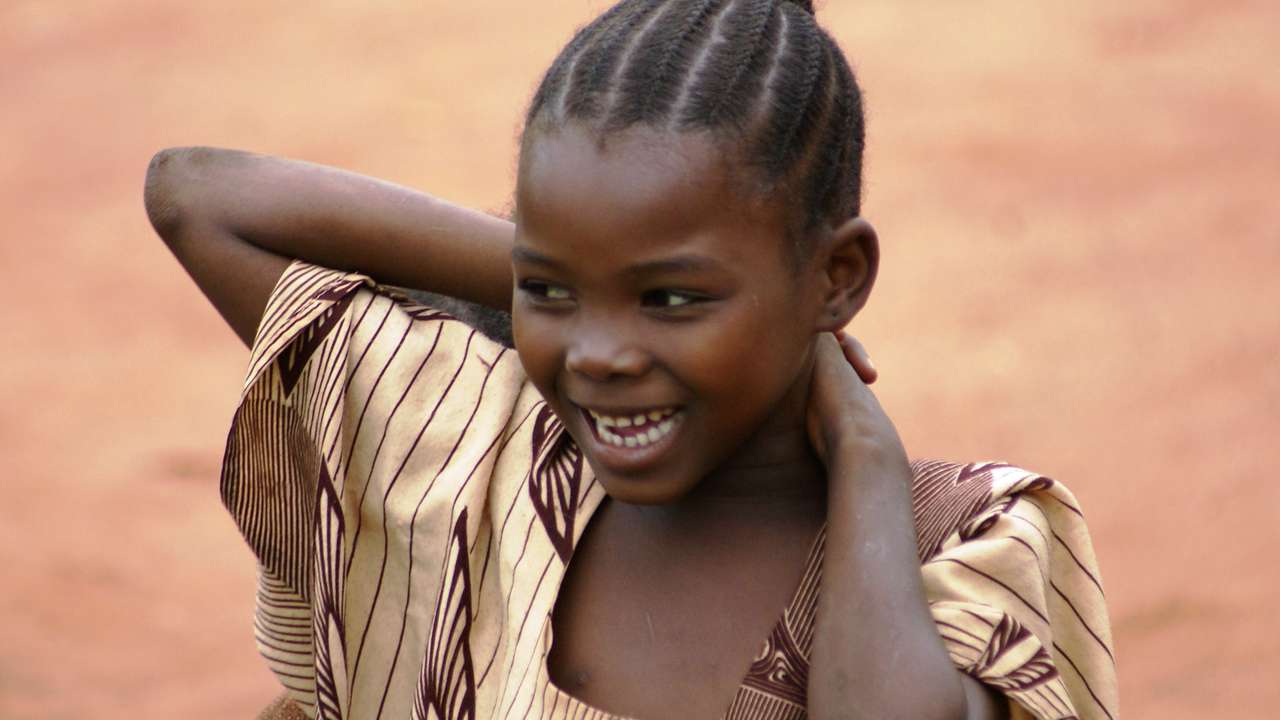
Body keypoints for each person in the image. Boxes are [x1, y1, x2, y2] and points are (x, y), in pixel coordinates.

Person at [145, 0, 1118, 718]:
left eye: (670, 299)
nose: (599, 357)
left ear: (839, 276)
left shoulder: (960, 540)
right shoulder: (473, 456)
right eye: (548, 290)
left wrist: (863, 451)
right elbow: (196, 197)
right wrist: (575, 274)